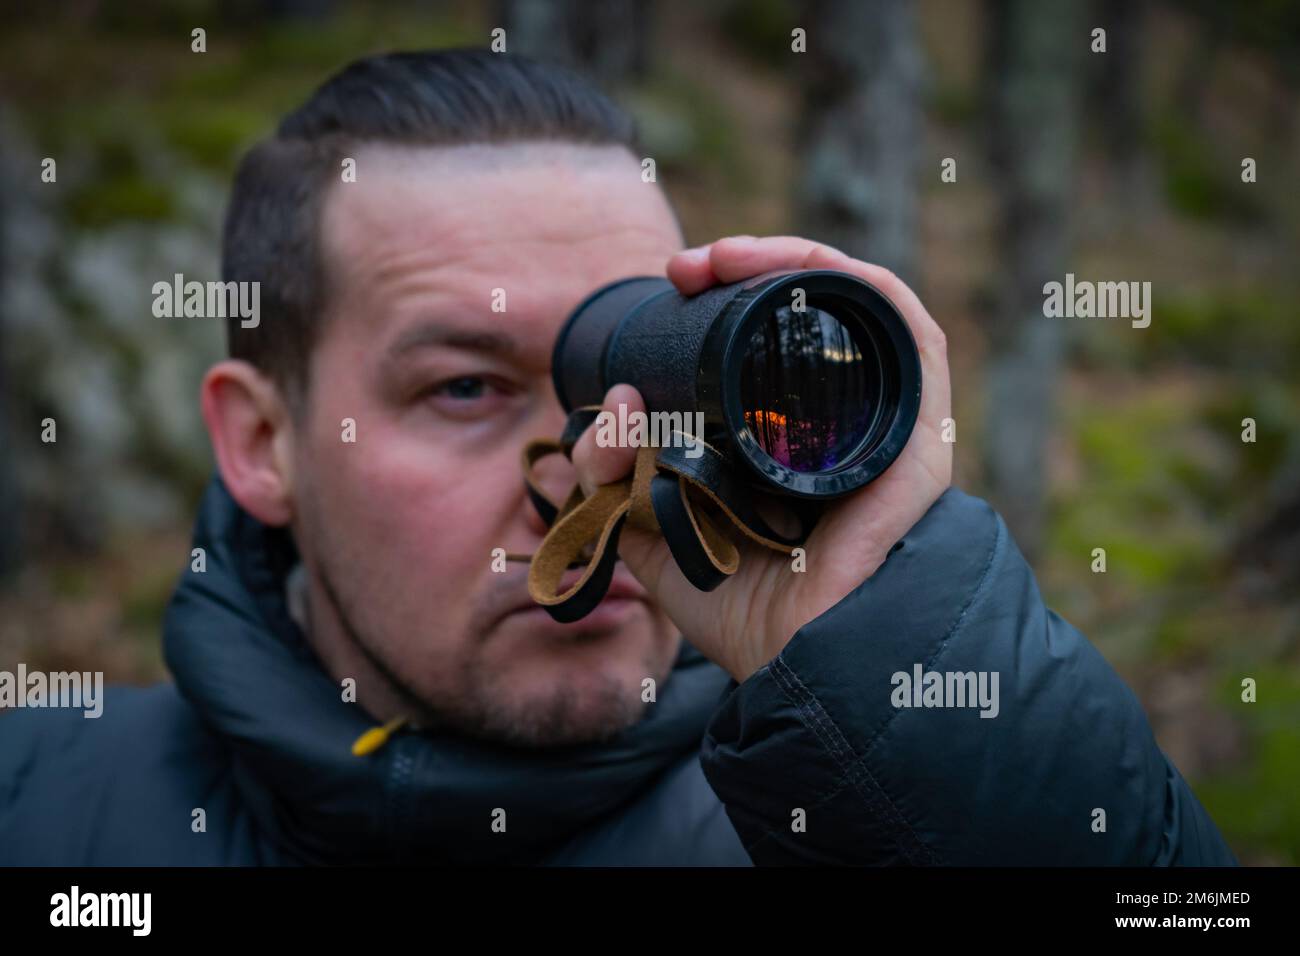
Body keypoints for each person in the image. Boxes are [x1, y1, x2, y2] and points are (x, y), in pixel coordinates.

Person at [0, 49, 1236, 866]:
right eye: (467, 387)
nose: (582, 473)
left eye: (632, 376)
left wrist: (902, 672)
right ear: (263, 441)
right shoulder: (39, 807)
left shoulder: (847, 823)